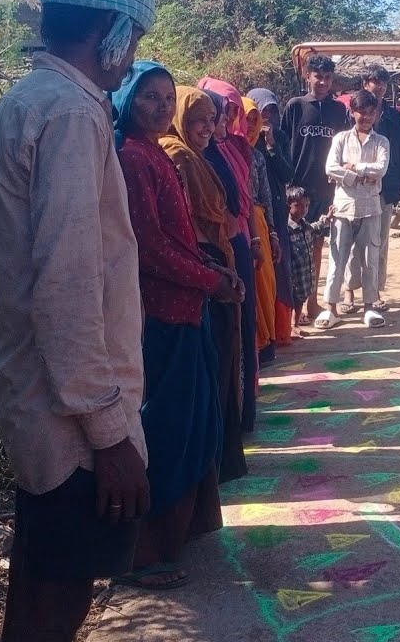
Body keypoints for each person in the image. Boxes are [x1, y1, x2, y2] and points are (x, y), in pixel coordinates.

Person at [0, 0, 153, 641]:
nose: (133, 53)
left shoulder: (26, 102)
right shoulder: (73, 116)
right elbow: (68, 288)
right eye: (133, 38)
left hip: (35, 396)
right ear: (112, 32)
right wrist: (110, 435)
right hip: (72, 419)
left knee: (38, 581)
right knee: (60, 599)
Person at [112, 61, 244, 590]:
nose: (162, 106)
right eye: (148, 97)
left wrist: (211, 271)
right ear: (126, 100)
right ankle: (141, 553)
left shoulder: (155, 154)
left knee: (196, 426)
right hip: (161, 314)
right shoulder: (133, 158)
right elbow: (151, 248)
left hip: (185, 305)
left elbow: (180, 239)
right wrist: (211, 281)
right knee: (167, 431)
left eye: (168, 97)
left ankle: (175, 537)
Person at [159, 85, 249, 486]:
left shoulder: (199, 155)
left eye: (212, 120)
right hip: (202, 272)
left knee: (223, 367)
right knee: (210, 373)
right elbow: (184, 224)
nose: (207, 128)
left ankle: (220, 461)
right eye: (198, 120)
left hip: (218, 262)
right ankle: (210, 467)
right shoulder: (175, 156)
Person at [197, 82, 263, 432]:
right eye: (203, 118)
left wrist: (253, 239)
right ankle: (227, 424)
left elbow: (243, 199)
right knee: (223, 340)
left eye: (218, 116)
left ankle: (242, 414)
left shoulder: (227, 150)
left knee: (240, 330)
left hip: (234, 245)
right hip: (209, 257)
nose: (213, 124)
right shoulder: (186, 156)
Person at [281, 55, 351, 321]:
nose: (322, 82)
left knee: (317, 247)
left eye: (328, 78)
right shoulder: (295, 106)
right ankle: (291, 312)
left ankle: (312, 305)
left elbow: (345, 147)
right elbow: (285, 146)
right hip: (298, 190)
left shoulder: (337, 111)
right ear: (308, 77)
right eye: (318, 76)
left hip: (326, 190)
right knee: (294, 251)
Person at [314, 90, 390, 329]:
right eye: (362, 112)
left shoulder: (381, 142)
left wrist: (353, 167)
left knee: (370, 260)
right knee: (338, 259)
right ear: (352, 112)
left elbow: (381, 170)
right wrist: (356, 177)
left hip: (370, 208)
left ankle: (369, 307)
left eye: (371, 112)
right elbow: (330, 168)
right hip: (343, 207)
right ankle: (330, 308)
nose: (366, 117)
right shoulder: (341, 139)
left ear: (376, 114)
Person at [343, 64, 400, 313]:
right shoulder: (352, 113)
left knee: (380, 243)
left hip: (386, 186)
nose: (380, 85)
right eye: (374, 81)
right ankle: (350, 292)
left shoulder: (393, 116)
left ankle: (376, 292)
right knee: (351, 243)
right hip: (355, 189)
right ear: (365, 84)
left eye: (383, 81)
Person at [247, 88, 297, 343]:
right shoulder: (243, 139)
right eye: (261, 111)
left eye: (271, 111)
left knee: (282, 266)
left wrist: (272, 146)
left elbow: (287, 174)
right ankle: (263, 331)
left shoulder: (279, 138)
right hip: (255, 215)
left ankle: (281, 329)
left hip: (276, 210)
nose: (266, 117)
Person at [286, 186, 319, 329]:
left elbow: (315, 227)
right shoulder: (286, 229)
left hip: (305, 276)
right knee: (291, 301)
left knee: (300, 301)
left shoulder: (305, 226)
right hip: (293, 277)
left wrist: (326, 219)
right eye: (298, 206)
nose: (303, 209)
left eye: (306, 206)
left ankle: (295, 324)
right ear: (289, 206)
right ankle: (290, 326)